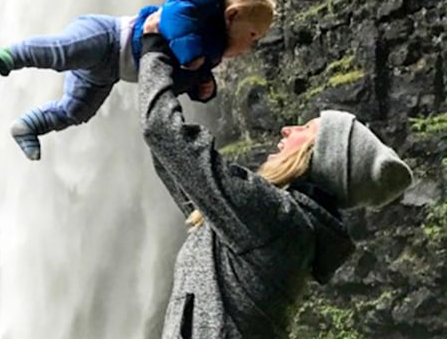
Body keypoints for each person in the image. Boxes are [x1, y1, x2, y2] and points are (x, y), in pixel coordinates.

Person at [138, 23, 413, 338]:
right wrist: (182, 80)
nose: (288, 130)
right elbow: (173, 163)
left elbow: (162, 134)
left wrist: (153, 49)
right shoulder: (285, 227)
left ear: (318, 156)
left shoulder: (276, 220)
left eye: (305, 129)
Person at [0, 0, 276, 160]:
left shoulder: (209, 49)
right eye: (252, 36)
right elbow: (175, 16)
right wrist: (192, 57)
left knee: (77, 111)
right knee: (64, 52)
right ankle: (13, 55)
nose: (251, 45)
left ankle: (28, 126)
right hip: (109, 38)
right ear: (233, 15)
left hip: (108, 73)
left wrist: (203, 87)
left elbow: (184, 72)